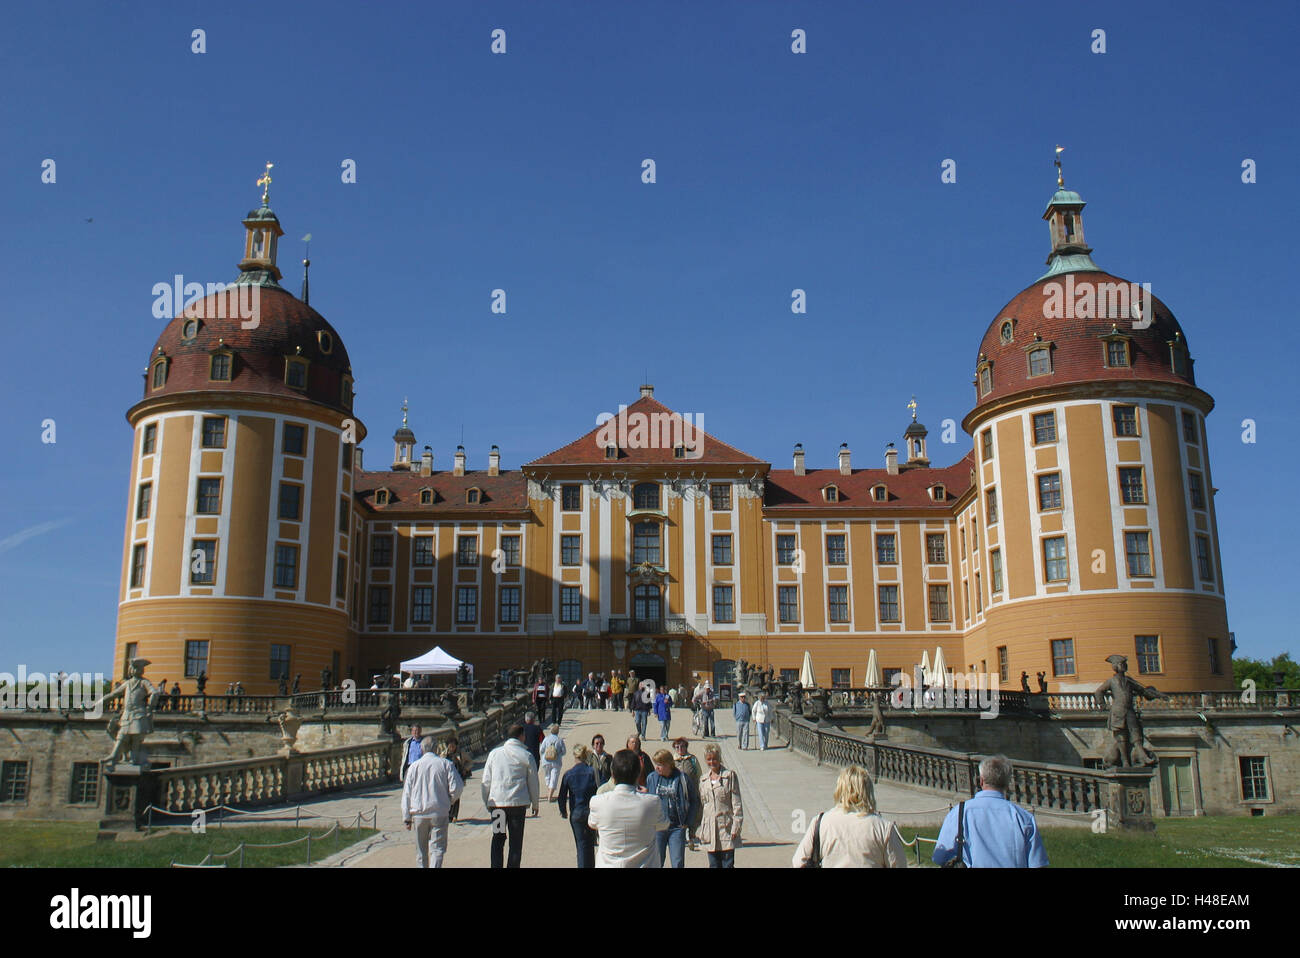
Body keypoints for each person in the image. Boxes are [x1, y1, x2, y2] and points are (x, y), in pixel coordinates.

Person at [932, 755, 1048, 868]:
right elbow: (1037, 863)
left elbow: (939, 857)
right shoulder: (1023, 818)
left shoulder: (960, 813)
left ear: (981, 781)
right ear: (1007, 783)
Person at [793, 765, 908, 868]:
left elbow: (798, 862)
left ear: (840, 789)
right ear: (867, 790)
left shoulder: (820, 822)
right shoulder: (884, 828)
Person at [587, 749, 668, 867]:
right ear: (638, 773)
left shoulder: (598, 802)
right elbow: (663, 824)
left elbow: (592, 823)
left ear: (612, 773)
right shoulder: (652, 802)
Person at [480, 723, 540, 868]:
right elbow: (533, 782)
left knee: (498, 838)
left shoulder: (495, 754)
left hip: (498, 805)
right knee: (515, 842)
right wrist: (535, 803)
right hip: (517, 806)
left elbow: (486, 780)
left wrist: (487, 801)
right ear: (521, 736)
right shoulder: (526, 755)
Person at [401, 736, 464, 868]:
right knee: (437, 849)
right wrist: (450, 800)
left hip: (419, 813)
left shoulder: (413, 767)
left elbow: (407, 794)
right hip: (439, 811)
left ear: (422, 749)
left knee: (421, 850)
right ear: (436, 749)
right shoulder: (446, 764)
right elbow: (457, 788)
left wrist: (406, 817)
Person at [646, 748, 698, 868]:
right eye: (656, 764)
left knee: (677, 862)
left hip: (677, 827)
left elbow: (694, 801)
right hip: (658, 827)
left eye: (660, 765)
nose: (657, 768)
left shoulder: (683, 778)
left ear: (668, 764)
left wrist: (688, 822)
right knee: (657, 862)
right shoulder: (652, 778)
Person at [697, 743, 744, 867]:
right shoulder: (703, 780)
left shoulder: (729, 776)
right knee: (713, 864)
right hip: (710, 830)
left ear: (719, 758)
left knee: (727, 864)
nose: (712, 762)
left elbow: (737, 804)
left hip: (726, 828)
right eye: (709, 759)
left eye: (714, 759)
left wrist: (736, 826)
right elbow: (703, 805)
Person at [559, 744, 599, 867]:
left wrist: (563, 811)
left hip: (576, 812)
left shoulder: (569, 774)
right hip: (590, 811)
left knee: (581, 844)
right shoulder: (592, 772)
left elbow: (562, 796)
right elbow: (598, 790)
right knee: (590, 844)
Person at [672, 737, 703, 846]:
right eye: (677, 747)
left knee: (694, 812)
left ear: (686, 747)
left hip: (692, 790)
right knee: (680, 814)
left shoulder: (692, 759)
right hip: (678, 793)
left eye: (682, 746)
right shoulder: (673, 760)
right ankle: (681, 835)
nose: (680, 749)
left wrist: (700, 789)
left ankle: (692, 834)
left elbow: (699, 774)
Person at [439, 736, 472, 821]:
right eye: (450, 746)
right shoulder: (443, 755)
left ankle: (454, 815)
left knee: (456, 795)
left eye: (453, 746)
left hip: (458, 777)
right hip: (447, 778)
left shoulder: (461, 753)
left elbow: (470, 762)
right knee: (447, 796)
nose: (452, 748)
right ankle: (448, 814)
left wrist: (465, 769)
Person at [540, 723, 567, 801]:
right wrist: (558, 754)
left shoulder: (546, 739)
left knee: (547, 776)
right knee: (554, 777)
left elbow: (541, 749)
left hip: (546, 760)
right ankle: (550, 796)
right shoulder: (559, 740)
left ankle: (549, 792)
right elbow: (564, 751)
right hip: (556, 761)